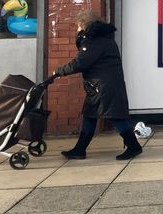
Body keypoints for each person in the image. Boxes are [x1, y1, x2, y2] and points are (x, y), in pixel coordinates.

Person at [53, 10, 142, 160]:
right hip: (101, 84)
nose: (77, 30)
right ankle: (80, 149)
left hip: (103, 85)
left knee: (115, 116)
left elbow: (81, 62)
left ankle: (133, 146)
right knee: (90, 115)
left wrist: (59, 71)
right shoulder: (103, 38)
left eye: (78, 26)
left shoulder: (94, 41)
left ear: (84, 25)